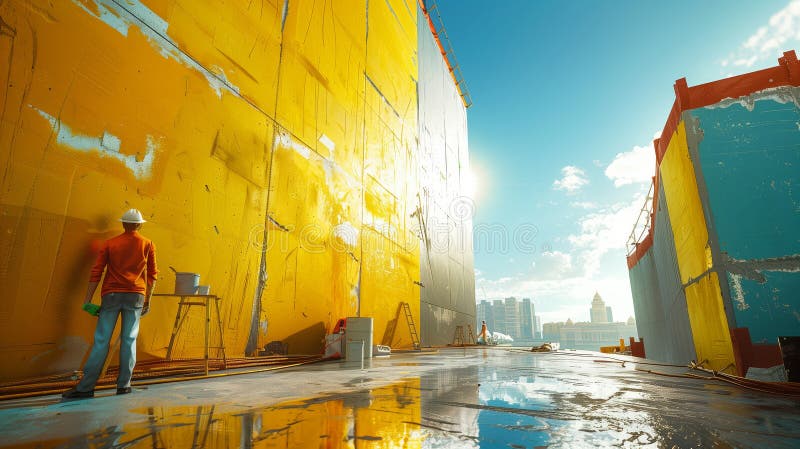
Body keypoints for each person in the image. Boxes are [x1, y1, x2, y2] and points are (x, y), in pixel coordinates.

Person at [62, 208, 158, 399]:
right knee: (129, 340)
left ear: (123, 224)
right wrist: (148, 299)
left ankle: (86, 388)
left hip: (112, 295)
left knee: (101, 341)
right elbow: (152, 275)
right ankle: (124, 385)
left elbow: (96, 272)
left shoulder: (110, 244)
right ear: (139, 225)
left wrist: (88, 299)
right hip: (136, 296)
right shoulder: (148, 244)